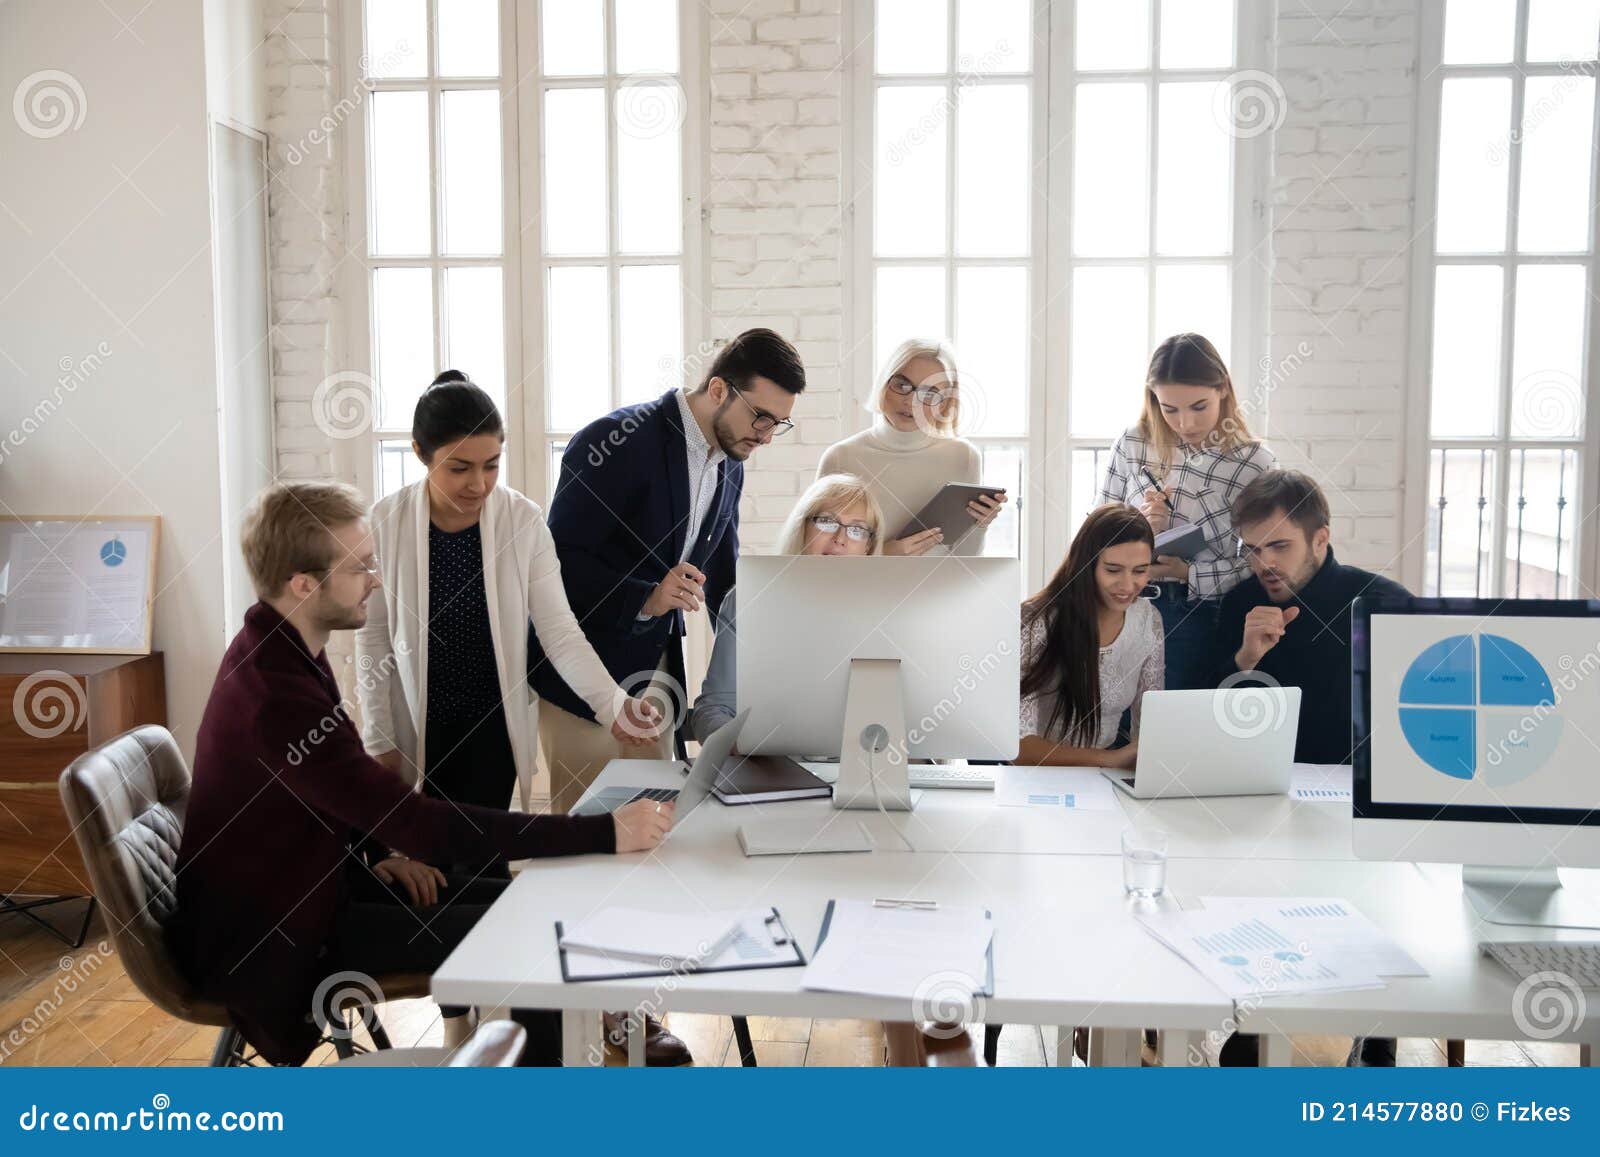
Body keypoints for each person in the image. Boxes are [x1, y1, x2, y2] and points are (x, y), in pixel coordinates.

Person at [167, 482, 673, 1067]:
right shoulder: (276, 695)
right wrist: (604, 831)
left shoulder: (280, 645)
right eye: (360, 568)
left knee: (531, 902)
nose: (375, 580)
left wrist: (377, 850)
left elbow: (326, 797)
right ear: (304, 585)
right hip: (277, 936)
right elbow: (425, 826)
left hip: (309, 892)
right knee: (535, 930)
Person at [353, 376, 664, 1045]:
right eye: (458, 467)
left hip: (494, 727)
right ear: (419, 454)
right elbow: (374, 642)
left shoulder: (521, 520)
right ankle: (458, 1025)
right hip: (420, 729)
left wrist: (614, 704)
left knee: (485, 875)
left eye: (492, 464)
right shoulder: (384, 522)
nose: (477, 483)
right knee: (432, 879)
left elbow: (559, 632)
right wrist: (379, 739)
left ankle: (496, 1031)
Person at [531, 328, 805, 1062]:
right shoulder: (615, 441)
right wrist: (645, 597)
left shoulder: (731, 462)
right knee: (599, 852)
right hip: (582, 677)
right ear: (719, 389)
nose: (767, 434)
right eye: (761, 416)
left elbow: (723, 573)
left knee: (651, 846)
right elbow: (556, 568)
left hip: (654, 684)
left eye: (780, 423)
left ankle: (633, 1010)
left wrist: (776, 649)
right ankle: (596, 1018)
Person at [1212, 468, 1409, 1068]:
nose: (1264, 563)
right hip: (1266, 807)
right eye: (1251, 549)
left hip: (1360, 814)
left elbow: (1408, 730)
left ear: (1321, 539)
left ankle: (1369, 1041)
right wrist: (1246, 661)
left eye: (1279, 546)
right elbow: (1213, 728)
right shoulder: (1241, 605)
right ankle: (1260, 1040)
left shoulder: (1385, 603)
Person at [1098, 333, 1275, 689]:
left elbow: (1262, 563)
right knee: (1114, 731)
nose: (1185, 423)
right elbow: (1094, 538)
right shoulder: (1132, 443)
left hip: (1197, 617)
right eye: (1169, 408)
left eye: (1198, 407)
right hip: (1121, 609)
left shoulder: (1253, 463)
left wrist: (1187, 574)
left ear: (1223, 389)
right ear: (1153, 399)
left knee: (1174, 730)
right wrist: (1137, 527)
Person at [690, 473, 884, 743]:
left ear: (868, 546)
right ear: (802, 527)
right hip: (775, 768)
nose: (841, 538)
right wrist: (735, 745)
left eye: (857, 529)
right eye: (828, 522)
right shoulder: (749, 599)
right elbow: (714, 709)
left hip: (864, 765)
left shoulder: (887, 609)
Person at [817, 338, 1005, 557]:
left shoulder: (964, 457)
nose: (911, 402)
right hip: (859, 589)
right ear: (884, 384)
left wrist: (979, 526)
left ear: (944, 402)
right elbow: (819, 557)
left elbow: (964, 562)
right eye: (902, 385)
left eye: (929, 394)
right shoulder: (841, 457)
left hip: (936, 590)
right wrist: (883, 556)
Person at [1015, 504, 1164, 770]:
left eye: (1140, 571)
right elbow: (1018, 746)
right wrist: (1112, 760)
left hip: (1104, 779)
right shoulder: (1037, 620)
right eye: (1113, 570)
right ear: (1087, 566)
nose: (1128, 586)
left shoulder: (1148, 619)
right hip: (1035, 777)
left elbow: (1151, 724)